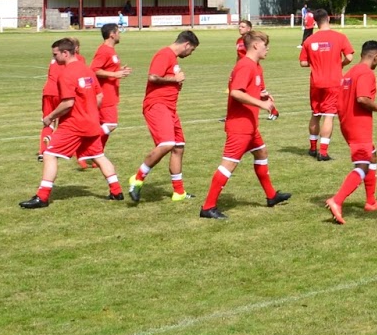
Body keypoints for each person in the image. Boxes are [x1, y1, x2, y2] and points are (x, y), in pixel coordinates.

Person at [20, 38, 126, 208]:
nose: (54, 58)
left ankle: (42, 197)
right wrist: (89, 110)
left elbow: (68, 103)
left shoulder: (66, 74)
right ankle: (116, 191)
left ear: (65, 53)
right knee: (98, 156)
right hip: (91, 122)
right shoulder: (87, 70)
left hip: (74, 124)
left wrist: (50, 117)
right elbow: (99, 96)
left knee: (49, 154)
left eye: (55, 55)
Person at [199, 30, 291, 219]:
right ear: (256, 45)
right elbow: (236, 93)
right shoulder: (245, 66)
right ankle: (208, 207)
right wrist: (262, 103)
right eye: (265, 46)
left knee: (261, 152)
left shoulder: (255, 66)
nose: (268, 49)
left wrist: (262, 94)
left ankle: (271, 196)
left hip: (250, 125)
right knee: (228, 165)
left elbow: (250, 89)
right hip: (240, 126)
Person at [324, 40, 377, 224]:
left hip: (347, 122)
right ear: (375, 57)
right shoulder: (366, 73)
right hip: (358, 124)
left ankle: (371, 202)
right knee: (362, 165)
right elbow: (362, 98)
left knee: (372, 155)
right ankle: (337, 200)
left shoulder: (350, 72)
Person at [128, 30, 200, 203]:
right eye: (192, 50)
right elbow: (153, 77)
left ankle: (179, 192)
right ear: (186, 45)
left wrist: (175, 83)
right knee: (167, 144)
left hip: (170, 108)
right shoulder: (164, 54)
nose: (190, 54)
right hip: (157, 105)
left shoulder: (172, 58)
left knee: (178, 147)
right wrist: (174, 80)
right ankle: (137, 178)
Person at [299, 8, 354, 160]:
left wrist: (316, 61)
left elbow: (303, 62)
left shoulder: (309, 40)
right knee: (329, 116)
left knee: (315, 115)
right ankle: (323, 152)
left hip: (316, 82)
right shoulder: (340, 37)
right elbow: (349, 57)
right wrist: (340, 64)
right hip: (334, 82)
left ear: (315, 22)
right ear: (328, 19)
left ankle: (312, 148)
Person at [89, 22, 132, 158]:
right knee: (111, 124)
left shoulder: (111, 50)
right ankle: (85, 144)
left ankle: (97, 153)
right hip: (105, 94)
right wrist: (114, 74)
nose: (120, 34)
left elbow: (107, 69)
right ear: (112, 34)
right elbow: (94, 70)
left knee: (104, 125)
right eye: (118, 32)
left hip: (111, 94)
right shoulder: (104, 51)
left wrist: (119, 71)